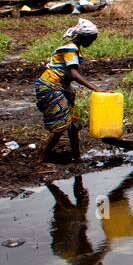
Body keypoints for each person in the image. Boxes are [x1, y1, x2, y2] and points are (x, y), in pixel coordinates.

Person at [36, 19, 102, 163]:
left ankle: (77, 157)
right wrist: (97, 89)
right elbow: (73, 74)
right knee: (61, 125)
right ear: (84, 36)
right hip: (50, 86)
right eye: (91, 39)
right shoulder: (71, 49)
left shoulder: (73, 47)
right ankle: (41, 158)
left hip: (61, 87)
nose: (92, 42)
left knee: (74, 123)